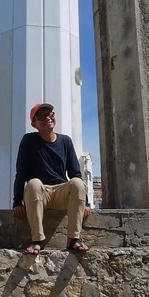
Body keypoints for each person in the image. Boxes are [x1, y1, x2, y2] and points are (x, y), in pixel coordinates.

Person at [12, 102, 90, 254]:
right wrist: (17, 202)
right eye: (41, 116)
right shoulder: (28, 141)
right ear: (34, 124)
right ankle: (37, 240)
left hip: (61, 193)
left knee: (77, 183)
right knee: (34, 183)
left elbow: (75, 172)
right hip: (40, 194)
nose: (47, 118)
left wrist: (85, 202)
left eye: (50, 114)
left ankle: (74, 239)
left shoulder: (65, 141)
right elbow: (21, 172)